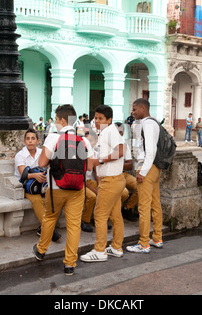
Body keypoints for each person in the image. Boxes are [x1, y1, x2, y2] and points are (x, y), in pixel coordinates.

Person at [33, 104, 94, 276]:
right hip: (77, 189)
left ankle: (41, 250)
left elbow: (41, 163)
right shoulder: (84, 140)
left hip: (56, 188)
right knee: (74, 225)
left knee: (50, 218)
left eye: (57, 120)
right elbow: (89, 167)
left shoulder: (53, 138)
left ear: (60, 119)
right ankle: (69, 264)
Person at [80, 105, 126, 263]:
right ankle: (116, 247)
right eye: (96, 118)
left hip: (111, 181)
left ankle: (100, 250)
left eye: (100, 118)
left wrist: (98, 160)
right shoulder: (106, 132)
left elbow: (120, 151)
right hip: (114, 179)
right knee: (115, 215)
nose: (97, 121)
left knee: (99, 215)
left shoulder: (110, 131)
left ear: (109, 120)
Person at [126, 98, 163, 253]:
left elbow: (150, 151)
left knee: (144, 206)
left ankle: (143, 243)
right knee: (155, 203)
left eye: (135, 109)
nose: (133, 112)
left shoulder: (148, 124)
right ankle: (157, 238)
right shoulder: (153, 122)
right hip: (155, 168)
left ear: (143, 108)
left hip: (147, 167)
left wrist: (143, 171)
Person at [14, 128, 61, 242]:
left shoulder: (42, 153)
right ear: (25, 141)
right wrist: (35, 175)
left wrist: (43, 175)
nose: (30, 141)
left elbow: (49, 167)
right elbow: (22, 174)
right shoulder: (20, 155)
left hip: (43, 185)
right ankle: (50, 231)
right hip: (26, 186)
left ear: (37, 141)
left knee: (55, 197)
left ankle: (44, 228)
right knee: (37, 200)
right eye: (28, 139)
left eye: (33, 138)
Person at [115, 122, 138, 222]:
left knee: (141, 186)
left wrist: (117, 165)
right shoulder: (106, 144)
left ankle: (127, 208)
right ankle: (116, 212)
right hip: (112, 175)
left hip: (122, 173)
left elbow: (130, 164)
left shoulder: (124, 145)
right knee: (124, 193)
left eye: (120, 132)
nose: (118, 134)